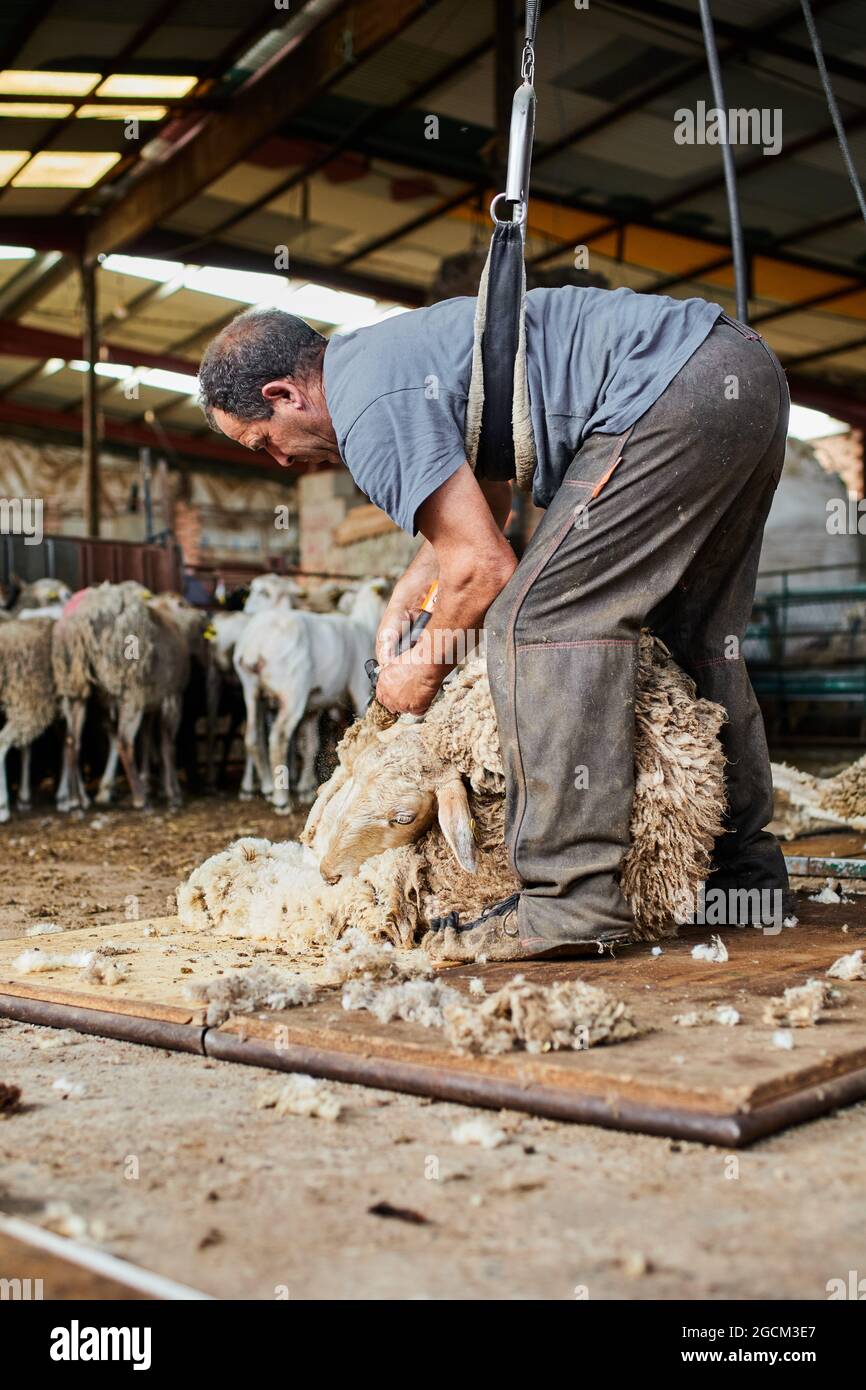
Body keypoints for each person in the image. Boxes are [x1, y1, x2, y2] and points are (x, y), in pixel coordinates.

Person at [198, 285, 790, 960]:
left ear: (283, 395)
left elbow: (485, 568)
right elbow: (492, 494)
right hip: (735, 372)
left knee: (540, 621)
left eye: (262, 443)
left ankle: (572, 903)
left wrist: (413, 679)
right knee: (701, 637)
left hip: (665, 388)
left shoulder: (365, 411)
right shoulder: (384, 360)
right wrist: (410, 590)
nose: (279, 461)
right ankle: (744, 879)